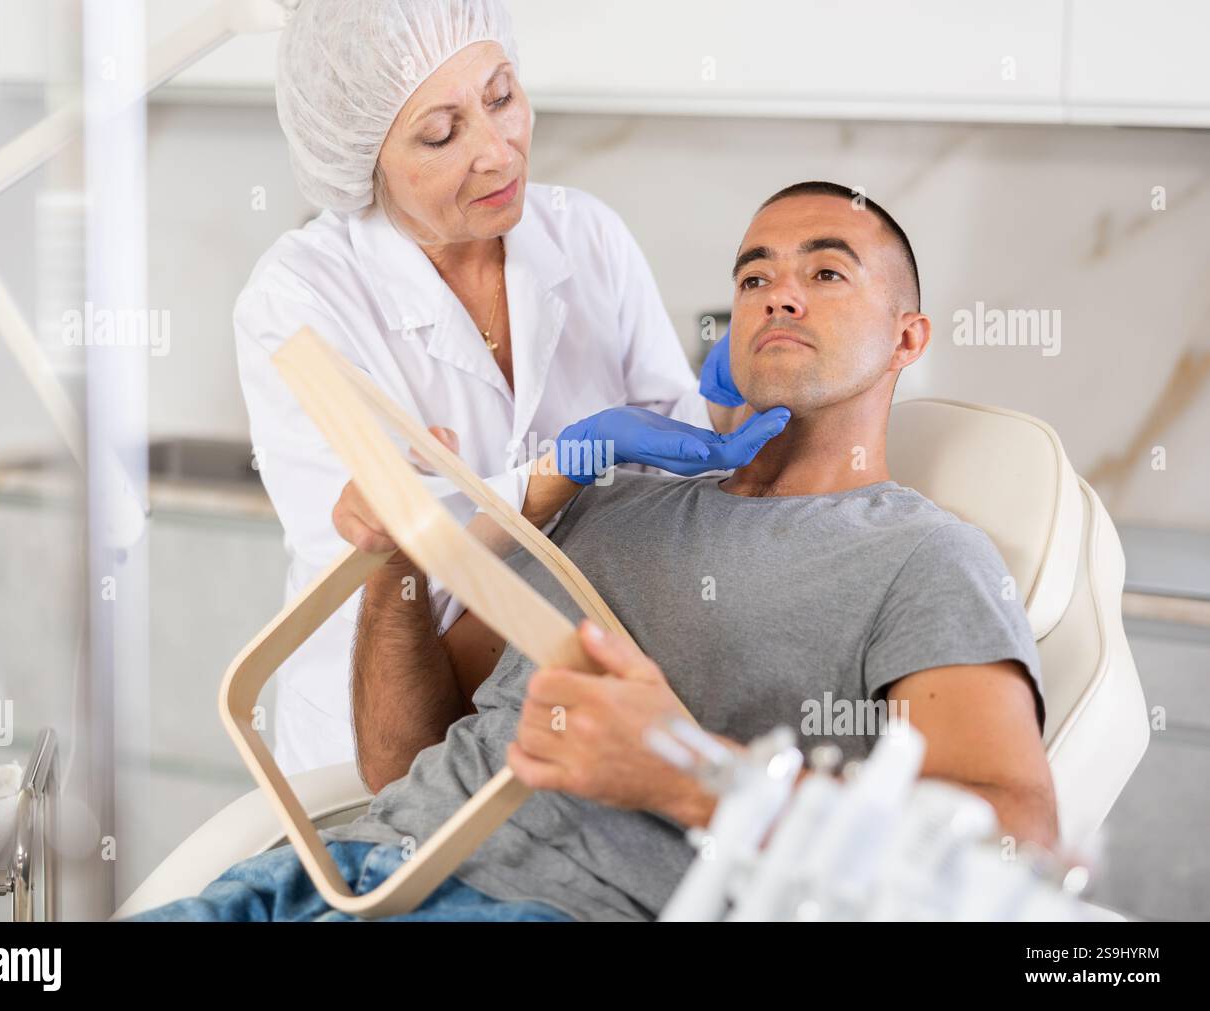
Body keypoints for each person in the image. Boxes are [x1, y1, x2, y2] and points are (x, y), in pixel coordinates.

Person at [130, 182, 1055, 922]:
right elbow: (402, 756)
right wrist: (400, 566)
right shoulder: (611, 503)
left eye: (827, 273)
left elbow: (1020, 844)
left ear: (909, 337)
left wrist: (689, 776)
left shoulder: (923, 556)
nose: (779, 289)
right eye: (753, 275)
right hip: (337, 870)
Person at [235, 0, 788, 774]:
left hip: (564, 719)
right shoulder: (298, 301)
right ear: (365, 157)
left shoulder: (586, 233)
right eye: (440, 132)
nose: (499, 152)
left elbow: (672, 451)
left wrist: (721, 405)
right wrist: (550, 476)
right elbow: (381, 558)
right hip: (377, 741)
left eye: (499, 96)